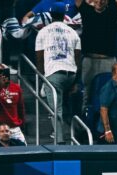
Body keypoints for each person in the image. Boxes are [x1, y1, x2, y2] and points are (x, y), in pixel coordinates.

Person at [35, 6, 81, 144]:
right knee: (66, 107)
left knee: (56, 109)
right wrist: (75, 81)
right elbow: (78, 57)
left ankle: (60, 141)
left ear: (51, 14)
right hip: (71, 73)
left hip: (54, 74)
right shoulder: (73, 32)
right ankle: (76, 134)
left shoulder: (43, 32)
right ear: (63, 15)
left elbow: (39, 58)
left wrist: (42, 77)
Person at [77, 0, 117, 109]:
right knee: (86, 94)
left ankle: (105, 121)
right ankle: (84, 120)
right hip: (89, 60)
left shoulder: (112, 11)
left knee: (108, 93)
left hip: (108, 60)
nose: (99, 1)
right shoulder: (87, 10)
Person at [97, 62, 117, 144]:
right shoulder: (108, 88)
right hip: (109, 134)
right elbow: (103, 110)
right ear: (114, 73)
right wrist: (107, 131)